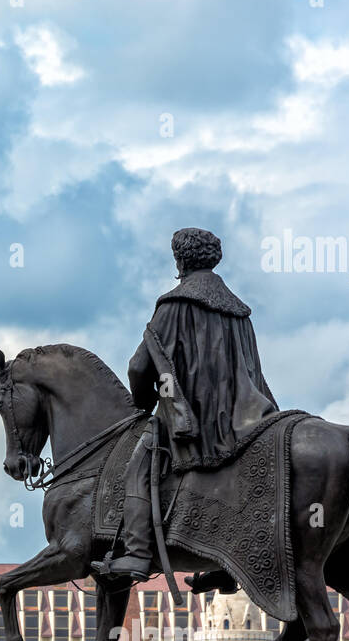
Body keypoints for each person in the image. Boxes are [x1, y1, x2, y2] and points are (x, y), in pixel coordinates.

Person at [94, 228, 277, 582]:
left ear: (180, 261)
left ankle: (137, 553)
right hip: (247, 421)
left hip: (193, 420)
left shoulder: (174, 304)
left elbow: (139, 366)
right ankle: (228, 567)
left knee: (137, 467)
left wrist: (144, 404)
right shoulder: (239, 311)